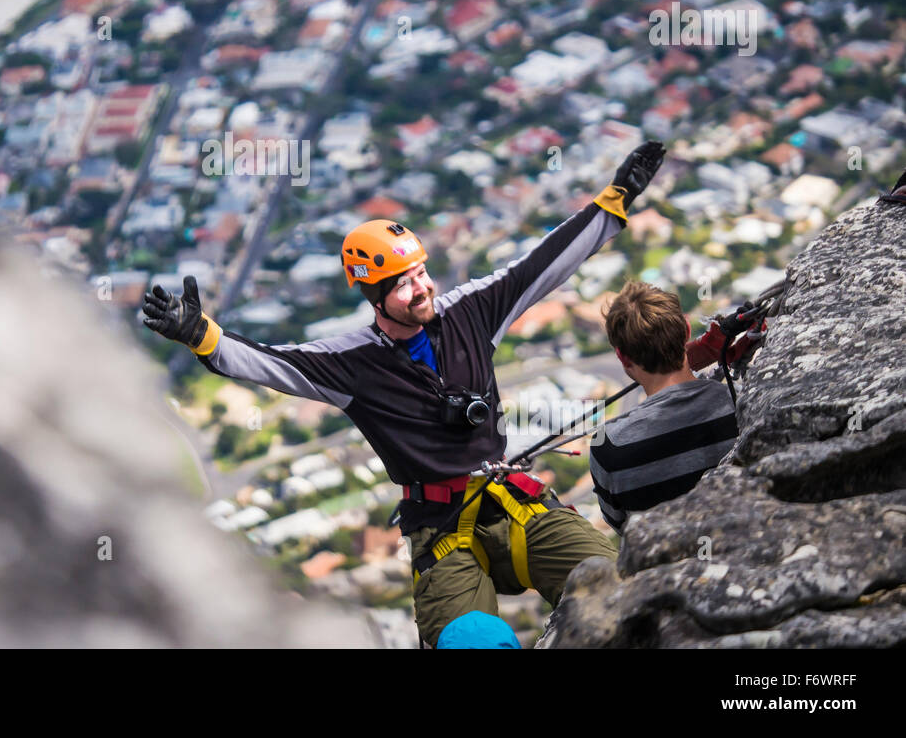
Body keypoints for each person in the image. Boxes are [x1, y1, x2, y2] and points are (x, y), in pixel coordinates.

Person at [143, 141, 667, 647]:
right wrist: (202, 336)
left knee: (617, 583)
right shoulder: (351, 364)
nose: (421, 288)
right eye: (402, 283)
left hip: (513, 502)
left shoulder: (471, 313)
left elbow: (542, 264)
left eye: (420, 272)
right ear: (374, 297)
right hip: (440, 528)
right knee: (470, 641)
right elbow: (270, 363)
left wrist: (612, 202)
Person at [589, 281, 740, 534]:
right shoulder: (741, 404)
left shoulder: (608, 448)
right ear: (687, 331)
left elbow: (622, 527)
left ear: (622, 358)